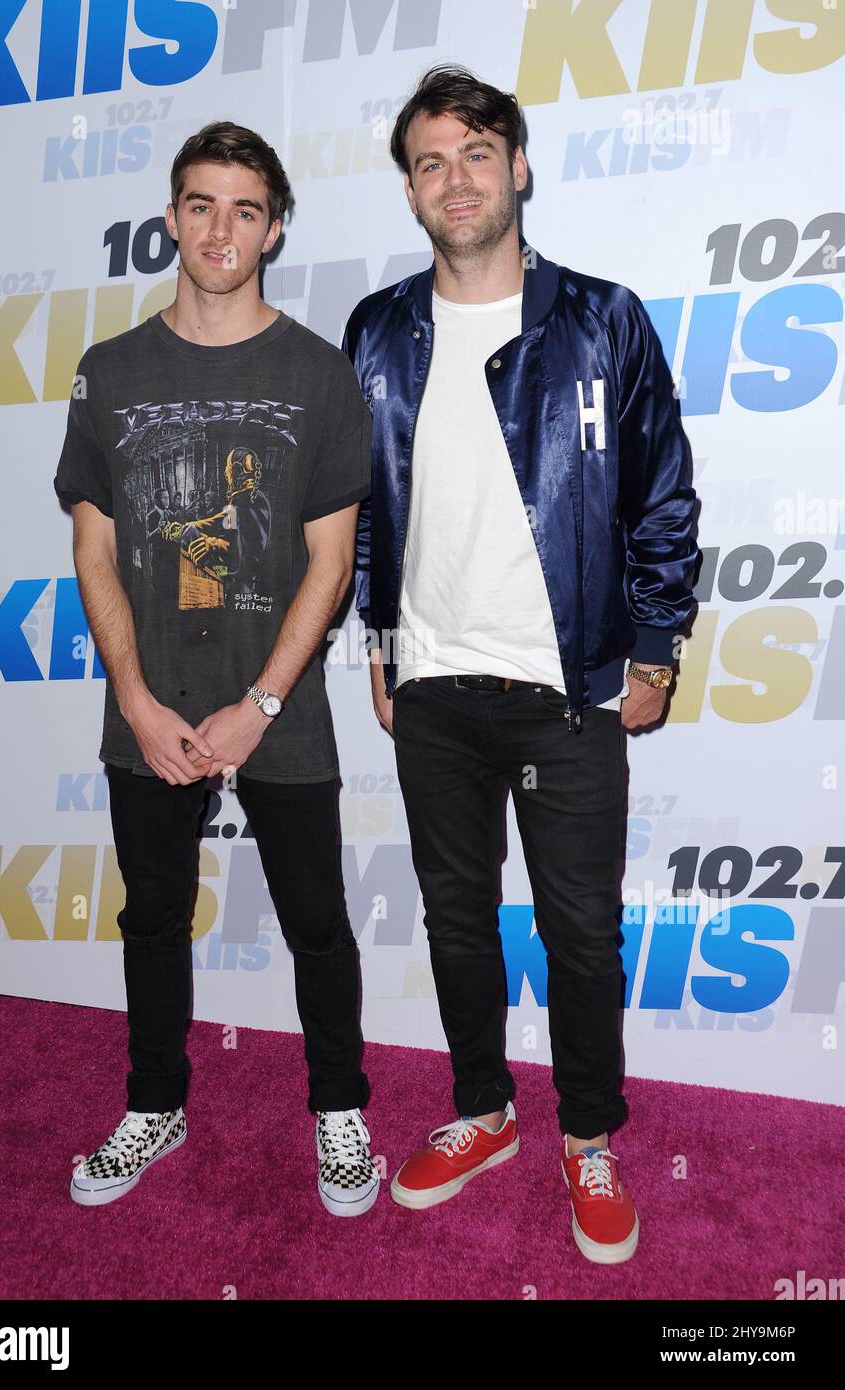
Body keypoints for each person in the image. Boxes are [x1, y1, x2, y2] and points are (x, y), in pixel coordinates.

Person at [342, 65, 698, 1262]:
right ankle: (483, 1109)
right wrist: (381, 636)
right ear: (409, 187)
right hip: (434, 688)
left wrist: (655, 645)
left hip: (569, 690)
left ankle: (587, 1134)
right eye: (430, 162)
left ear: (520, 166)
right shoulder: (379, 330)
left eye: (476, 153)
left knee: (580, 930)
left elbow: (661, 495)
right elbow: (369, 509)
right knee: (454, 920)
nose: (456, 179)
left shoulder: (603, 318)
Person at [54, 120, 378, 1218]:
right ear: (171, 221)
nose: (220, 228)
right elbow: (93, 547)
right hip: (148, 706)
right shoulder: (109, 373)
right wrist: (135, 700)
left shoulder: (319, 372)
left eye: (245, 208)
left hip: (276, 706)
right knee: (152, 914)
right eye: (200, 204)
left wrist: (264, 701)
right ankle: (157, 1101)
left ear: (274, 226)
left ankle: (339, 1108)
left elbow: (331, 561)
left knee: (316, 920)